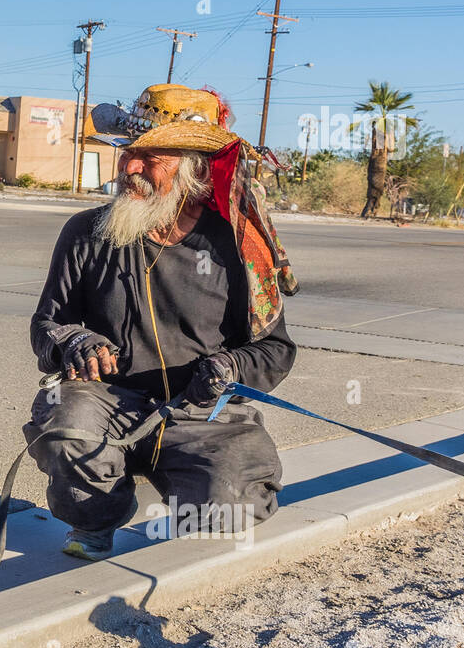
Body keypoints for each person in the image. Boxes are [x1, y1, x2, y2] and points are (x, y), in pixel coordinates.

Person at [24, 83, 300, 560]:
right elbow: (48, 323)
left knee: (231, 506)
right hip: (105, 400)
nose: (130, 167)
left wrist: (231, 369)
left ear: (192, 169)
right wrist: (73, 339)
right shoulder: (86, 233)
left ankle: (176, 471)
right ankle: (97, 517)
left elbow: (275, 350)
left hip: (200, 410)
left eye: (151, 158)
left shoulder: (237, 247)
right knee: (67, 429)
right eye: (129, 153)